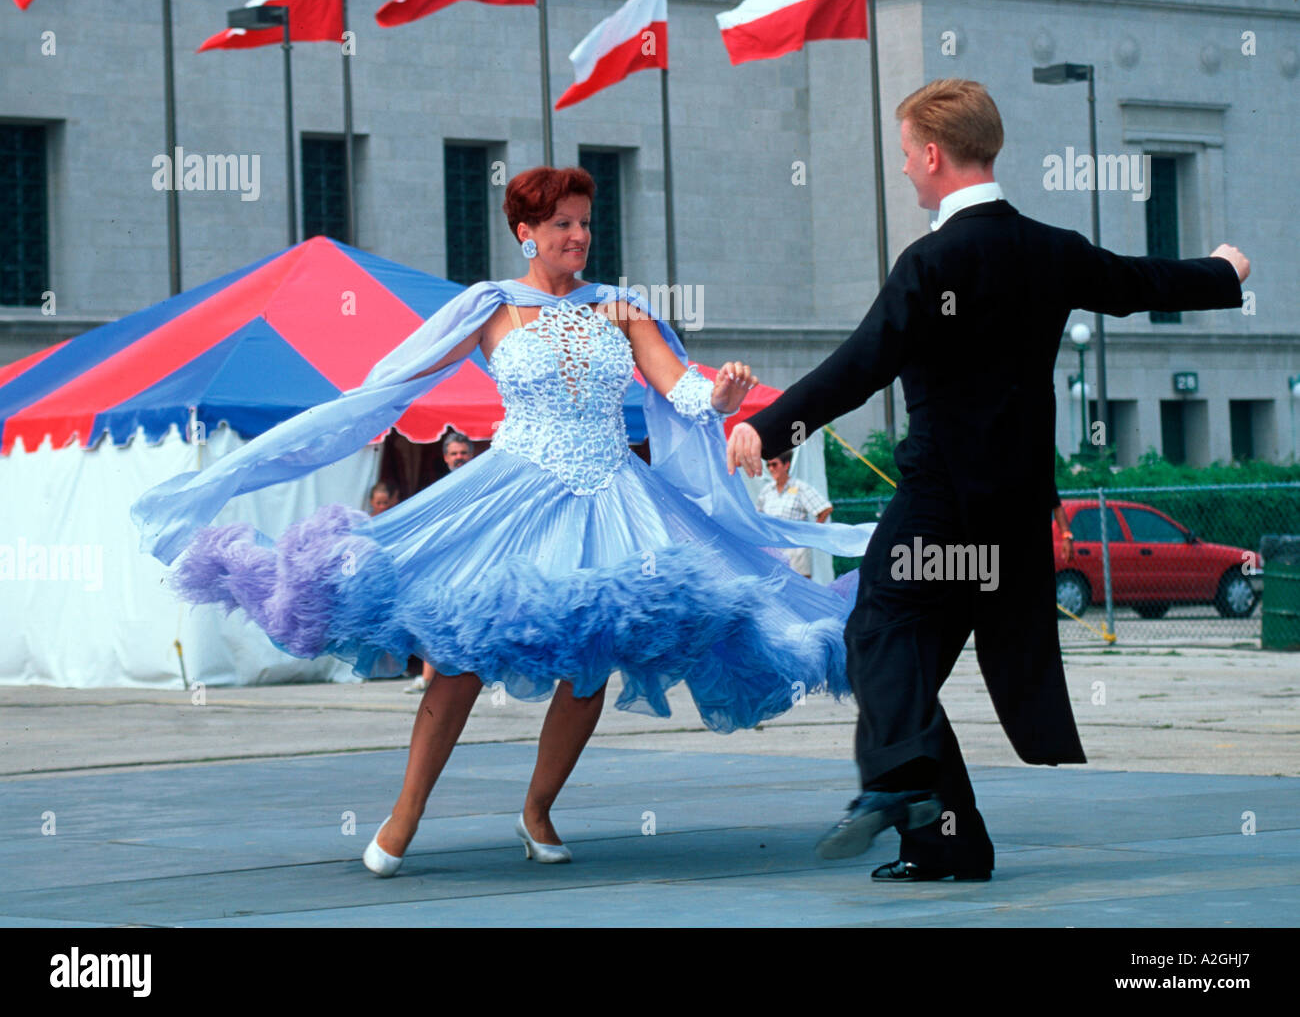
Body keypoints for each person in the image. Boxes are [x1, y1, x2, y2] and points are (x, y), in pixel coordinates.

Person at [131, 165, 872, 876]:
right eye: (561, 224)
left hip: (614, 496)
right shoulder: (493, 307)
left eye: (584, 222)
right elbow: (394, 383)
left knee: (590, 658)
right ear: (526, 231)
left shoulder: (619, 306)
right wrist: (304, 438)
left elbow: (679, 390)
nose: (577, 236)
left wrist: (721, 397)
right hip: (513, 495)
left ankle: (539, 812)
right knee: (458, 655)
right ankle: (405, 814)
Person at [727, 78, 1250, 882]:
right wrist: (1220, 272)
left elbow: (859, 369)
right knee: (913, 664)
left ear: (933, 154)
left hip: (941, 503)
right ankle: (946, 841)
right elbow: (1136, 284)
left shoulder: (932, 259)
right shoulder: (1050, 248)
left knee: (873, 633)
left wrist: (767, 429)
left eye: (905, 154)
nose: (903, 169)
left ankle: (901, 781)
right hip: (1015, 515)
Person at [405, 432, 474, 694]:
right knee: (435, 618)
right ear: (446, 457)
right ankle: (427, 676)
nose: (459, 458)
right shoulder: (439, 488)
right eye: (454, 453)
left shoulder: (482, 482)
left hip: (475, 560)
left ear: (472, 454)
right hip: (446, 563)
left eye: (463, 453)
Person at [754, 449, 832, 577]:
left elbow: (824, 509)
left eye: (774, 464)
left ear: (786, 465)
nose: (771, 469)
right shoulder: (767, 491)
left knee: (800, 589)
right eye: (768, 465)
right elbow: (758, 516)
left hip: (796, 551)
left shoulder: (800, 488)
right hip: (774, 549)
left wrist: (810, 535)